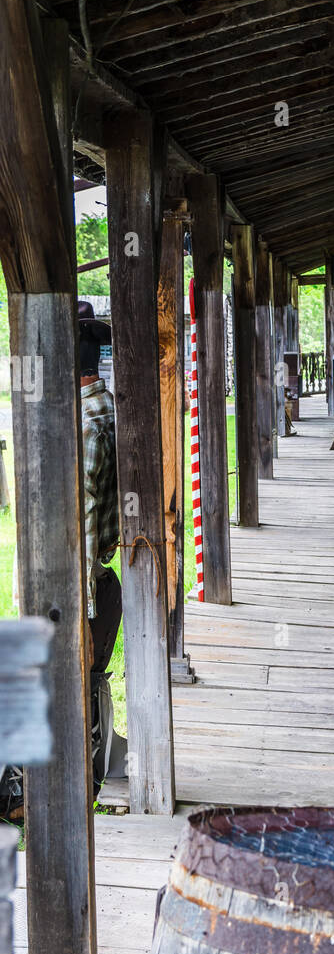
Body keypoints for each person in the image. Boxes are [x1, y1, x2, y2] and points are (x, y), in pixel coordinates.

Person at [79, 302, 123, 791]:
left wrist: (82, 603)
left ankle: (82, 767)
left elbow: (85, 522)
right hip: (107, 567)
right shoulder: (111, 408)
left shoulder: (85, 427)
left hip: (88, 576)